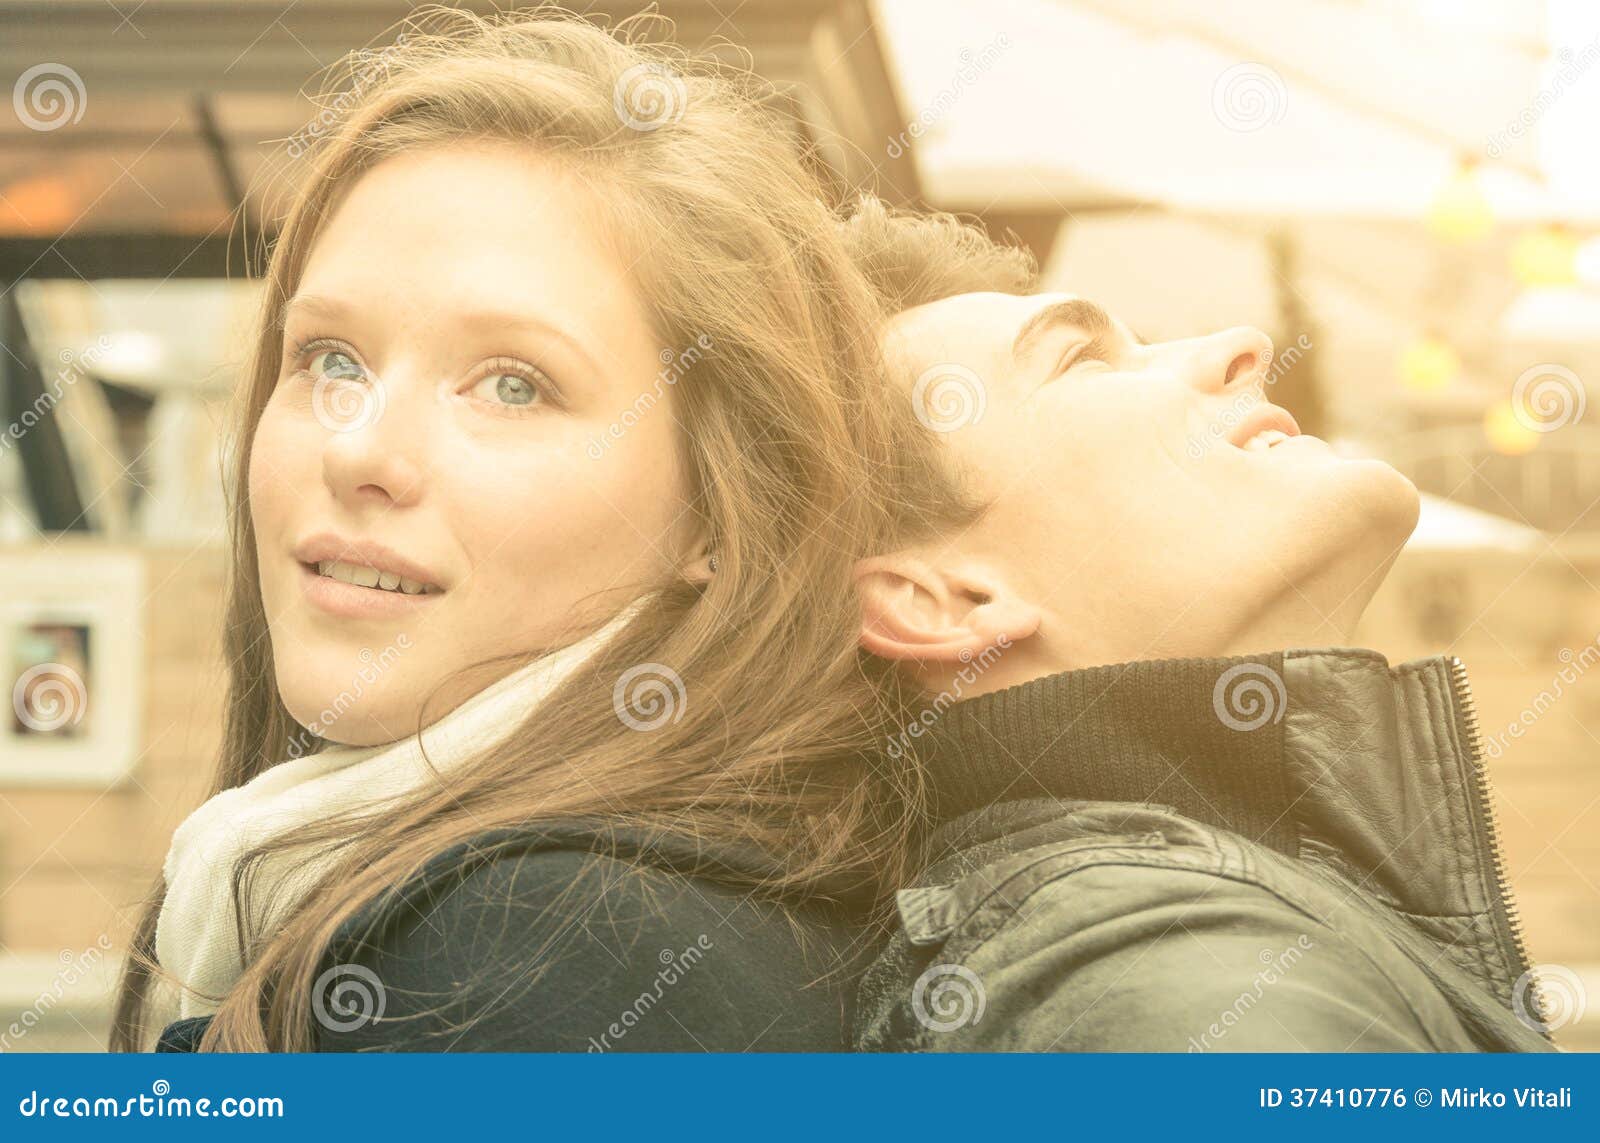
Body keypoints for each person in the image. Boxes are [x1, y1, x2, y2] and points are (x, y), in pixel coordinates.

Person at [111, 11, 973, 1053]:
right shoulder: (447, 895)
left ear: (723, 504)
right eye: (330, 358)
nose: (358, 451)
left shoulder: (546, 963)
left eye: (512, 385)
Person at [838, 199, 1558, 1052]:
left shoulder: (1178, 934)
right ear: (944, 600)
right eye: (1081, 361)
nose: (1244, 345)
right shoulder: (1169, 977)